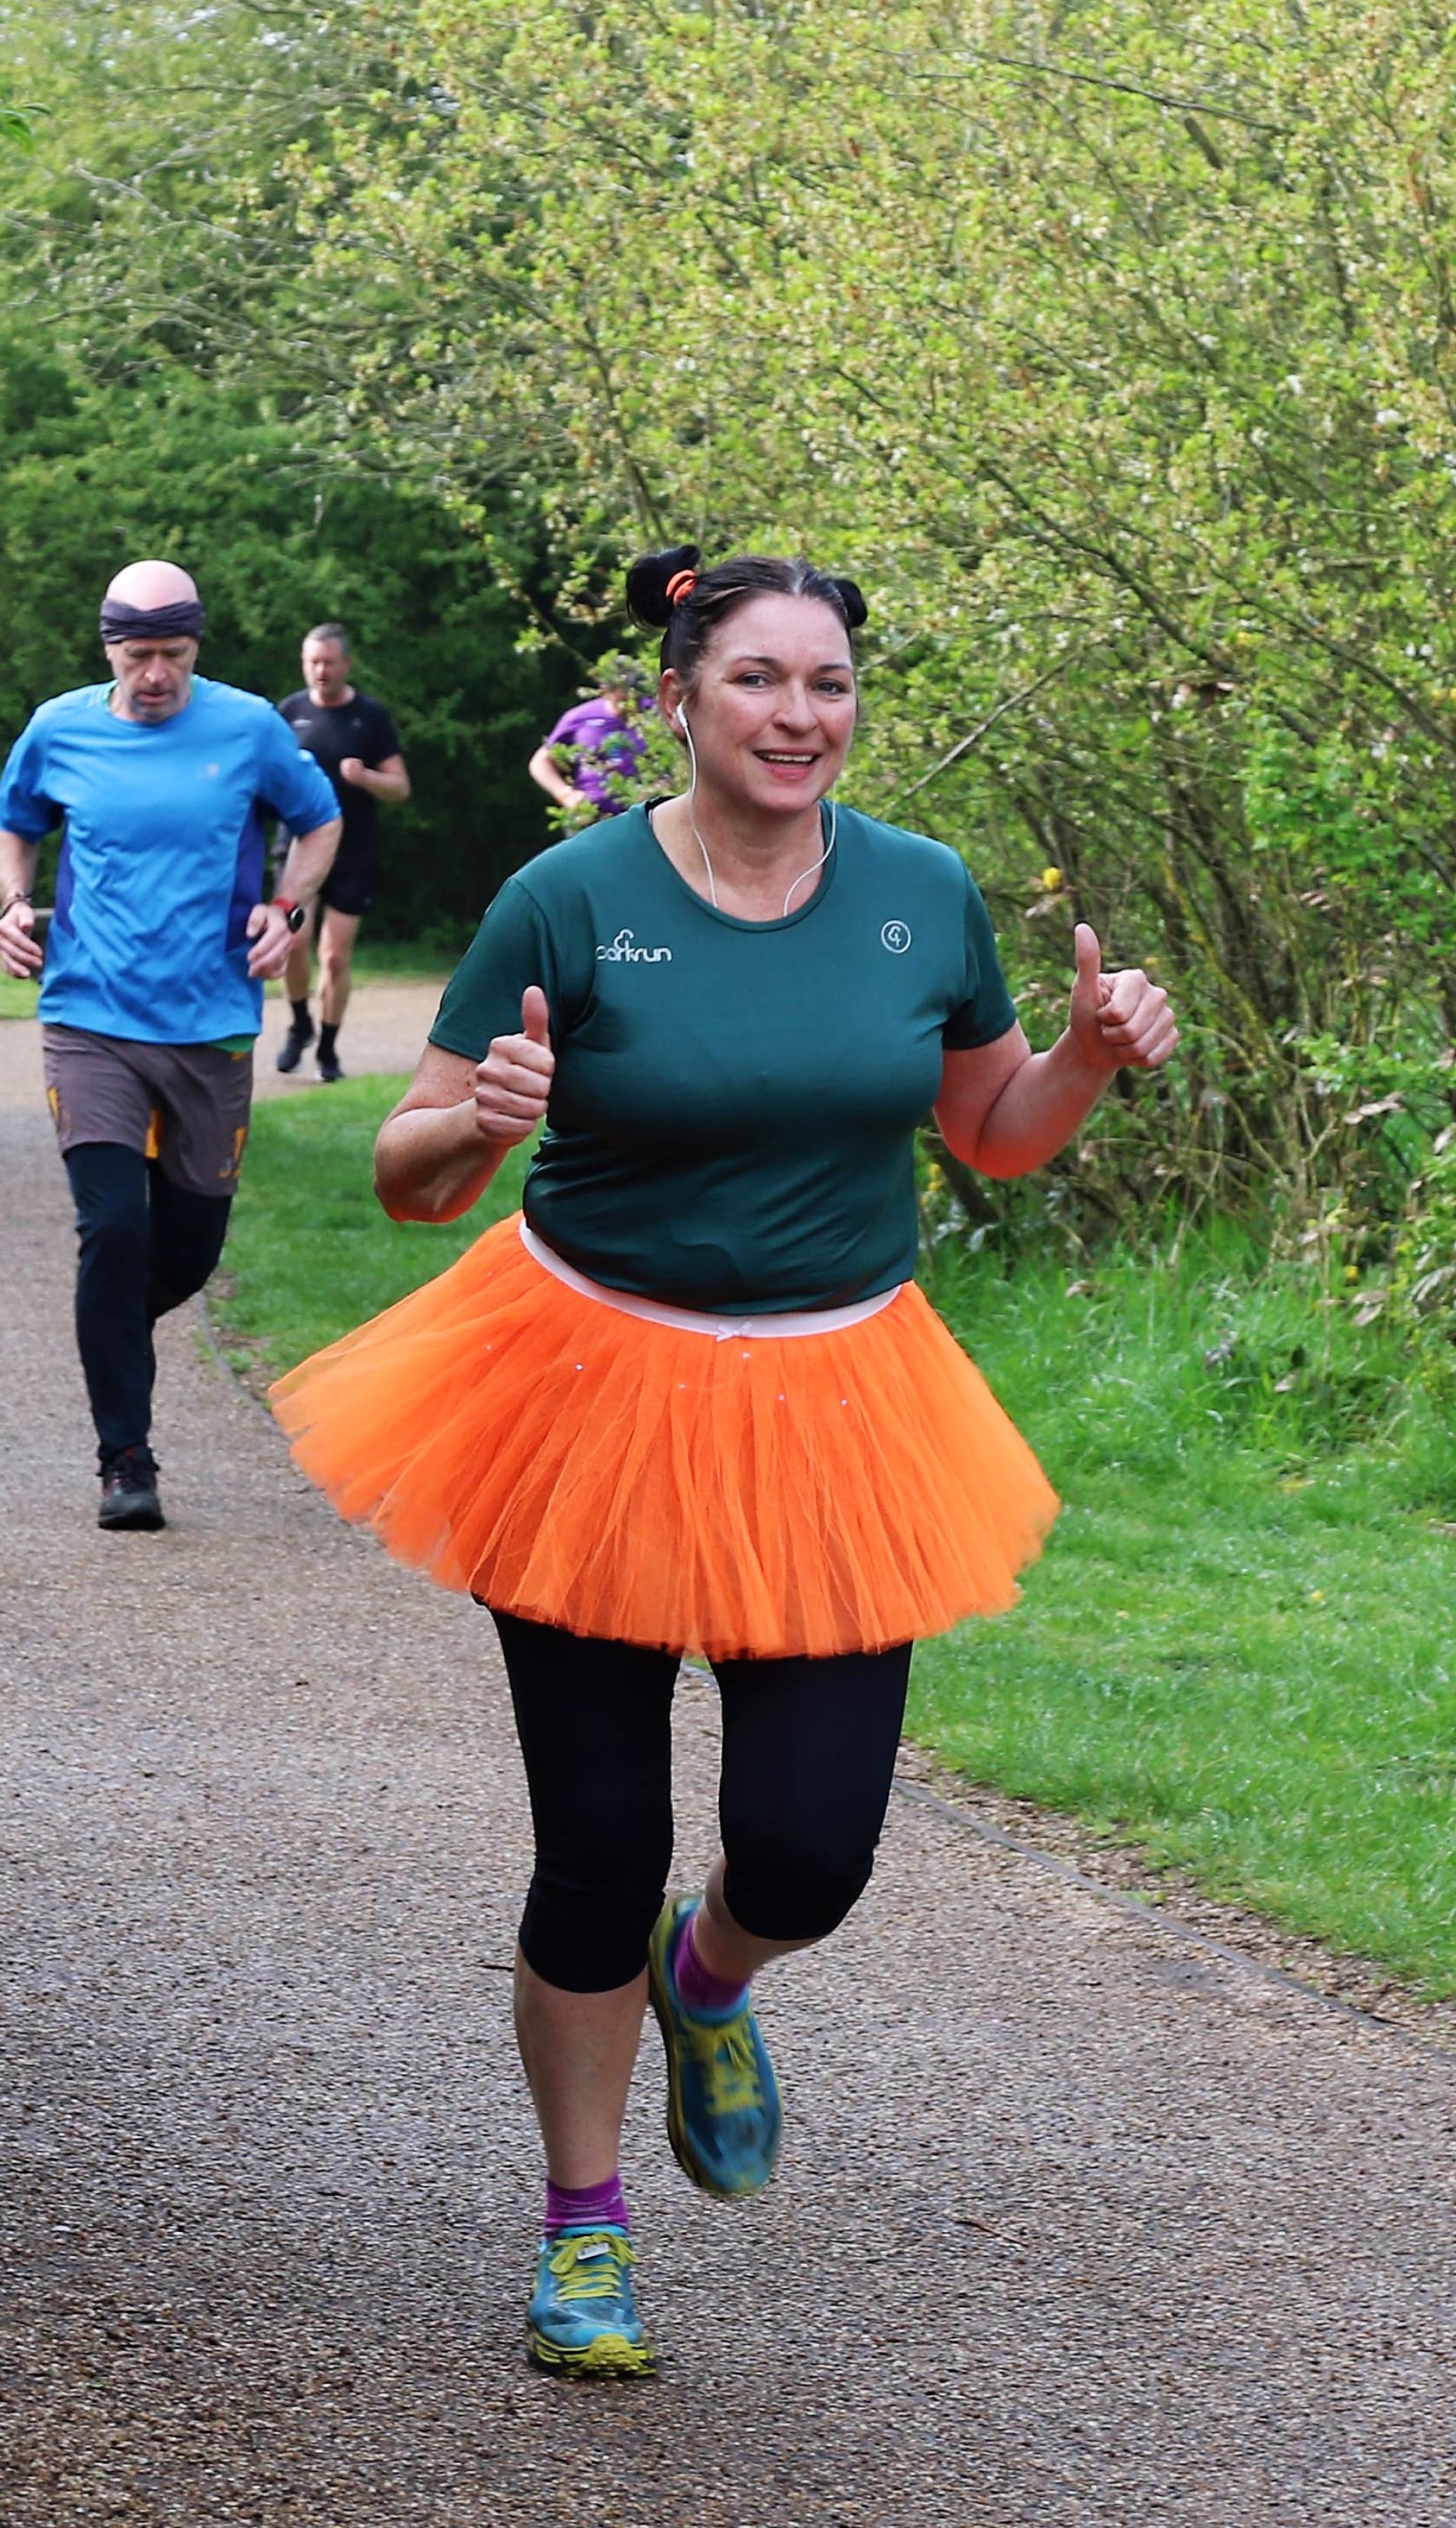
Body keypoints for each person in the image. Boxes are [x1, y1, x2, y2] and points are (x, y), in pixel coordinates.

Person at [271, 546, 1177, 2377]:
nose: (797, 715)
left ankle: (712, 1981)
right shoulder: (570, 895)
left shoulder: (921, 895)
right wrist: (481, 1122)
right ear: (676, 700)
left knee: (809, 1848)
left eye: (827, 683)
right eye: (757, 679)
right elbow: (408, 1167)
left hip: (840, 1398)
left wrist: (1083, 1054)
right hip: (585, 1388)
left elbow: (992, 1139)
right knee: (597, 1840)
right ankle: (585, 2225)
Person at [0, 559, 342, 1531]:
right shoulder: (60, 726)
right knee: (112, 1231)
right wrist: (17, 905)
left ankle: (113, 1330)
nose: (156, 675)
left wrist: (286, 907)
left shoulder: (247, 728)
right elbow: (12, 826)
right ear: (109, 648)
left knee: (182, 1257)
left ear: (197, 647)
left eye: (173, 655)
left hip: (211, 1025)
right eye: (139, 655)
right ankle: (125, 1458)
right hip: (89, 1017)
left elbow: (319, 822)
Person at [274, 624, 410, 1081]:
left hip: (353, 850)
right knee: (293, 941)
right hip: (296, 845)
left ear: (346, 664)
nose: (320, 670)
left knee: (334, 956)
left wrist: (367, 777)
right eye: (313, 661)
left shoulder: (369, 716)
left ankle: (328, 1048)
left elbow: (400, 787)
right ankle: (299, 1025)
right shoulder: (288, 712)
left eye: (329, 662)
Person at [526, 667, 647, 824]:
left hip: (645, 815)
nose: (630, 701)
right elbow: (540, 761)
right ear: (606, 691)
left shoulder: (655, 713)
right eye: (624, 694)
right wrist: (565, 793)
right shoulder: (582, 717)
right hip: (593, 817)